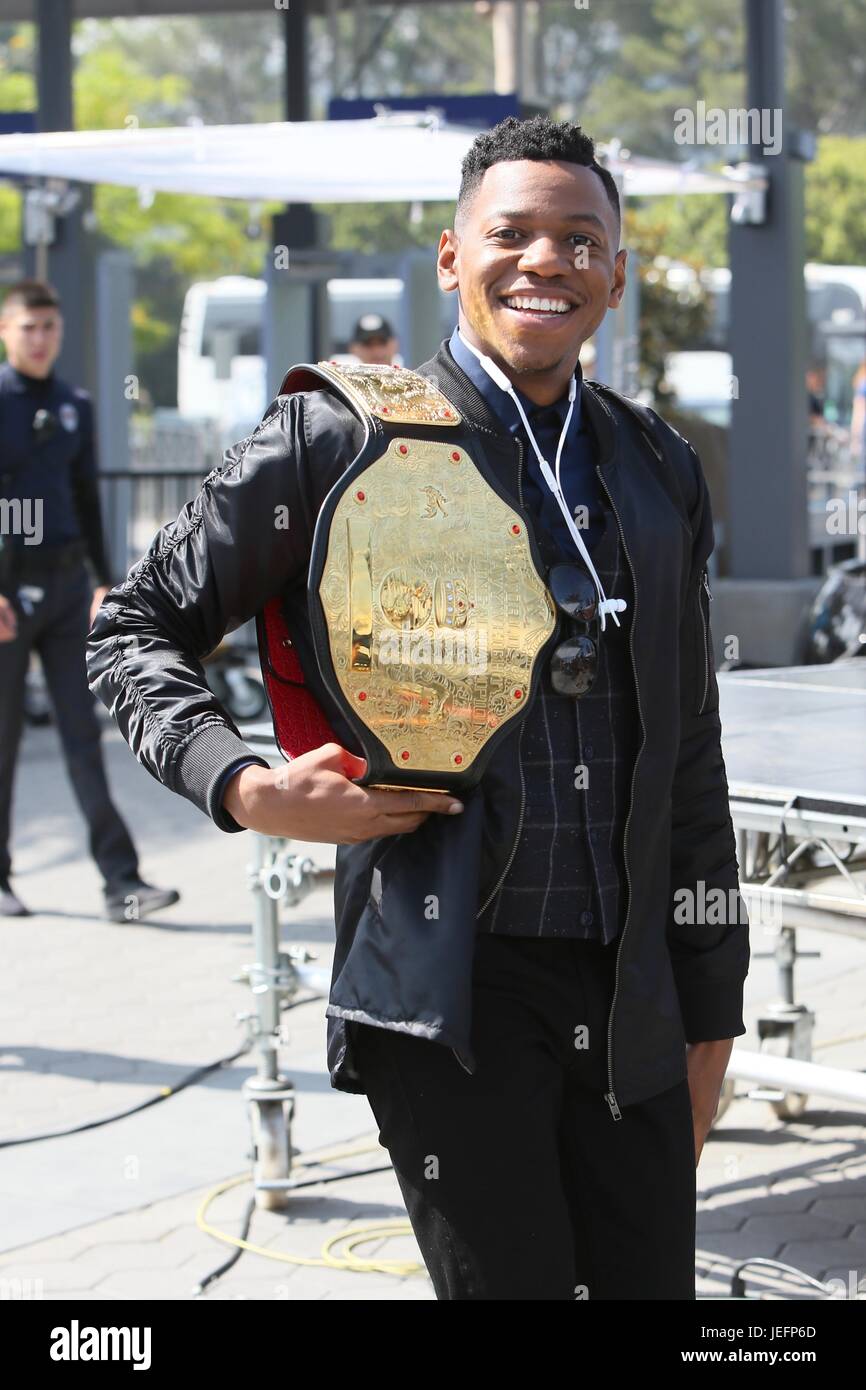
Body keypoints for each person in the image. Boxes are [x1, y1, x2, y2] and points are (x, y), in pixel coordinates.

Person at [86, 116, 749, 1299]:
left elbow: (687, 752)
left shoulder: (657, 465)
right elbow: (133, 628)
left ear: (615, 271)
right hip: (454, 994)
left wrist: (711, 999)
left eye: (578, 239)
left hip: (633, 993)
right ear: (451, 257)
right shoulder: (338, 433)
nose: (544, 260)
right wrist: (244, 786)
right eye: (512, 234)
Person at [0, 279, 179, 923]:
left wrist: (106, 578)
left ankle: (121, 882)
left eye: (50, 327)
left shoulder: (74, 404)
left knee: (86, 735)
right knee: (5, 736)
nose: (41, 339)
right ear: (5, 330)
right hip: (8, 591)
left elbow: (83, 499)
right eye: (29, 328)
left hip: (69, 586)